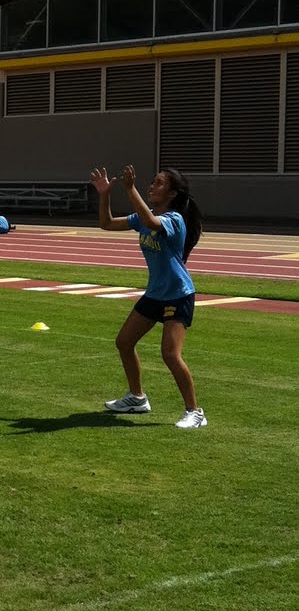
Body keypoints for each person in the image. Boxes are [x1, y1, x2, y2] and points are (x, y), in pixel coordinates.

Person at [90, 163, 207, 429]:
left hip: (178, 295)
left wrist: (130, 189)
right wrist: (105, 193)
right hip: (155, 294)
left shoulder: (174, 220)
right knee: (124, 342)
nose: (151, 186)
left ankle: (195, 411)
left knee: (169, 354)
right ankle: (137, 398)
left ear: (173, 194)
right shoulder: (143, 218)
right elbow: (106, 224)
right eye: (151, 182)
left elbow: (152, 222)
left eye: (158, 183)